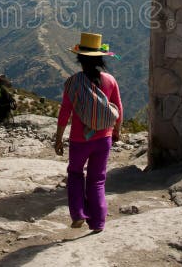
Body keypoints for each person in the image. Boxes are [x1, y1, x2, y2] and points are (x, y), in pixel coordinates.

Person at [54, 32, 123, 233]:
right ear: (100, 59)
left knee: (75, 174)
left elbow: (64, 112)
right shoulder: (110, 80)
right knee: (97, 180)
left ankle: (77, 214)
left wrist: (58, 139)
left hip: (79, 140)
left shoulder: (73, 82)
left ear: (80, 59)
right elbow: (118, 108)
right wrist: (116, 131)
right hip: (104, 138)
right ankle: (98, 223)